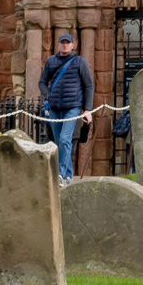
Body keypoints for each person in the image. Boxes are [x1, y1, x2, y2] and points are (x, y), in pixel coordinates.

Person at [39, 32, 93, 184]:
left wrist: (87, 109)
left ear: (72, 45)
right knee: (59, 143)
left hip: (72, 108)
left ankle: (61, 175)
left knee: (65, 139)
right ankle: (68, 175)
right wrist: (48, 96)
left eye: (67, 42)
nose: (65, 45)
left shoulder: (79, 61)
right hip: (55, 108)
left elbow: (88, 86)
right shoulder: (51, 61)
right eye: (62, 42)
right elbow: (42, 82)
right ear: (58, 45)